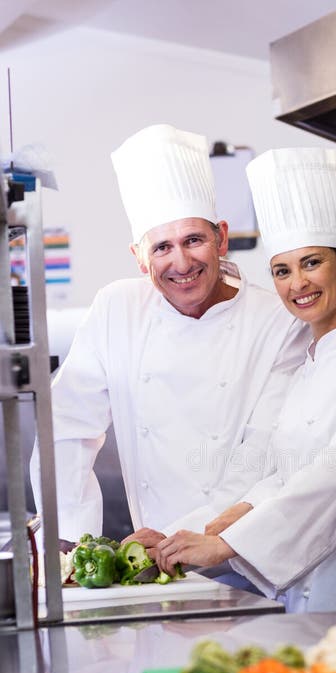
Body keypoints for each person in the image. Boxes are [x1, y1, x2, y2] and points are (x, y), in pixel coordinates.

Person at [153, 147, 336, 611]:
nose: (296, 284)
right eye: (282, 271)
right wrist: (191, 535)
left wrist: (230, 546)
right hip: (306, 599)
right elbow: (281, 475)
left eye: (311, 263)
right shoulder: (303, 369)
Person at [30, 125, 308, 545]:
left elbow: (265, 453)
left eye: (194, 239)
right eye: (161, 247)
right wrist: (73, 543)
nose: (181, 261)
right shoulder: (116, 309)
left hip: (246, 551)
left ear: (222, 239)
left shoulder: (279, 320)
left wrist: (184, 538)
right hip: (155, 555)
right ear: (139, 259)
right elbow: (67, 430)